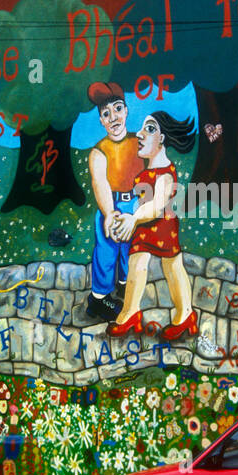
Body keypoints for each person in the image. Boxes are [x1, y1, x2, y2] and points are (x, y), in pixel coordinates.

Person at [108, 111, 197, 340]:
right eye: (142, 128)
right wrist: (127, 217)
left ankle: (185, 313)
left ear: (163, 138)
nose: (139, 134)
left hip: (162, 224)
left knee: (172, 266)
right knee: (138, 261)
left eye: (149, 129)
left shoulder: (165, 173)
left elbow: (158, 205)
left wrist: (135, 218)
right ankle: (131, 312)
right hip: (144, 224)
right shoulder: (147, 171)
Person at [85, 81, 144, 322]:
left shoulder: (138, 143)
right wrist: (109, 212)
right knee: (107, 250)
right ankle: (98, 300)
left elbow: (148, 175)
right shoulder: (99, 151)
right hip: (111, 204)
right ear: (100, 120)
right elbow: (100, 182)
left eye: (118, 109)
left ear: (127, 110)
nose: (113, 118)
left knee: (131, 250)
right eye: (106, 114)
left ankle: (124, 285)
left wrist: (142, 207)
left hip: (136, 204)